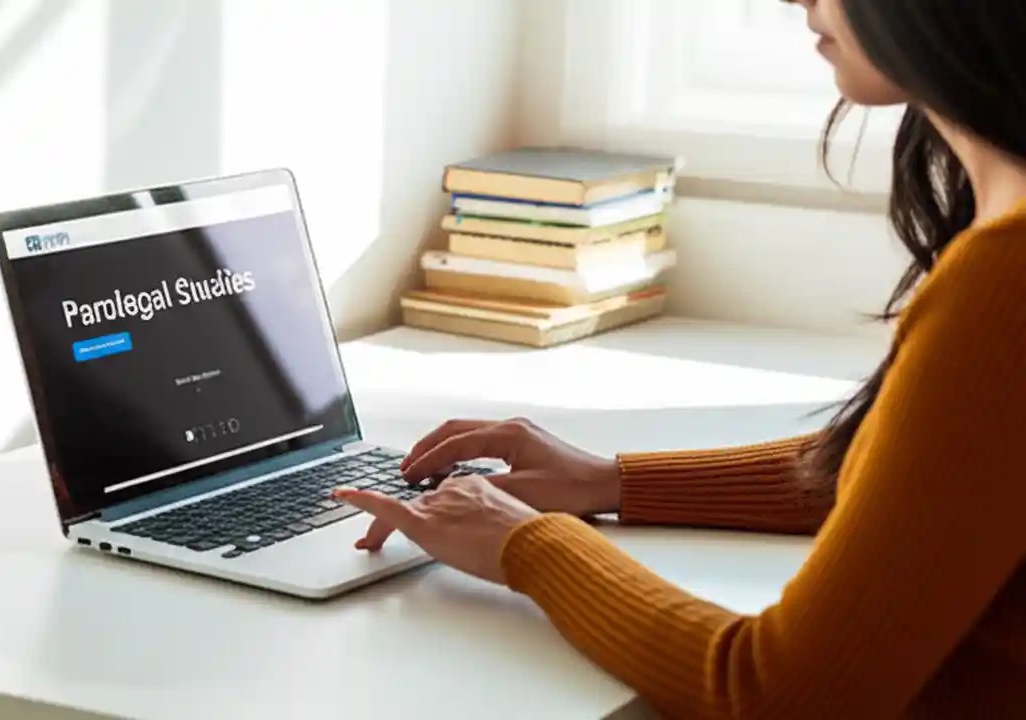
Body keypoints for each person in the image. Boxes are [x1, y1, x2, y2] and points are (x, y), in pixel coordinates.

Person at [333, 1, 1026, 717]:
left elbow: (775, 694)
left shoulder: (1004, 279)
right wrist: (608, 482)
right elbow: (926, 493)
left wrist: (526, 545)